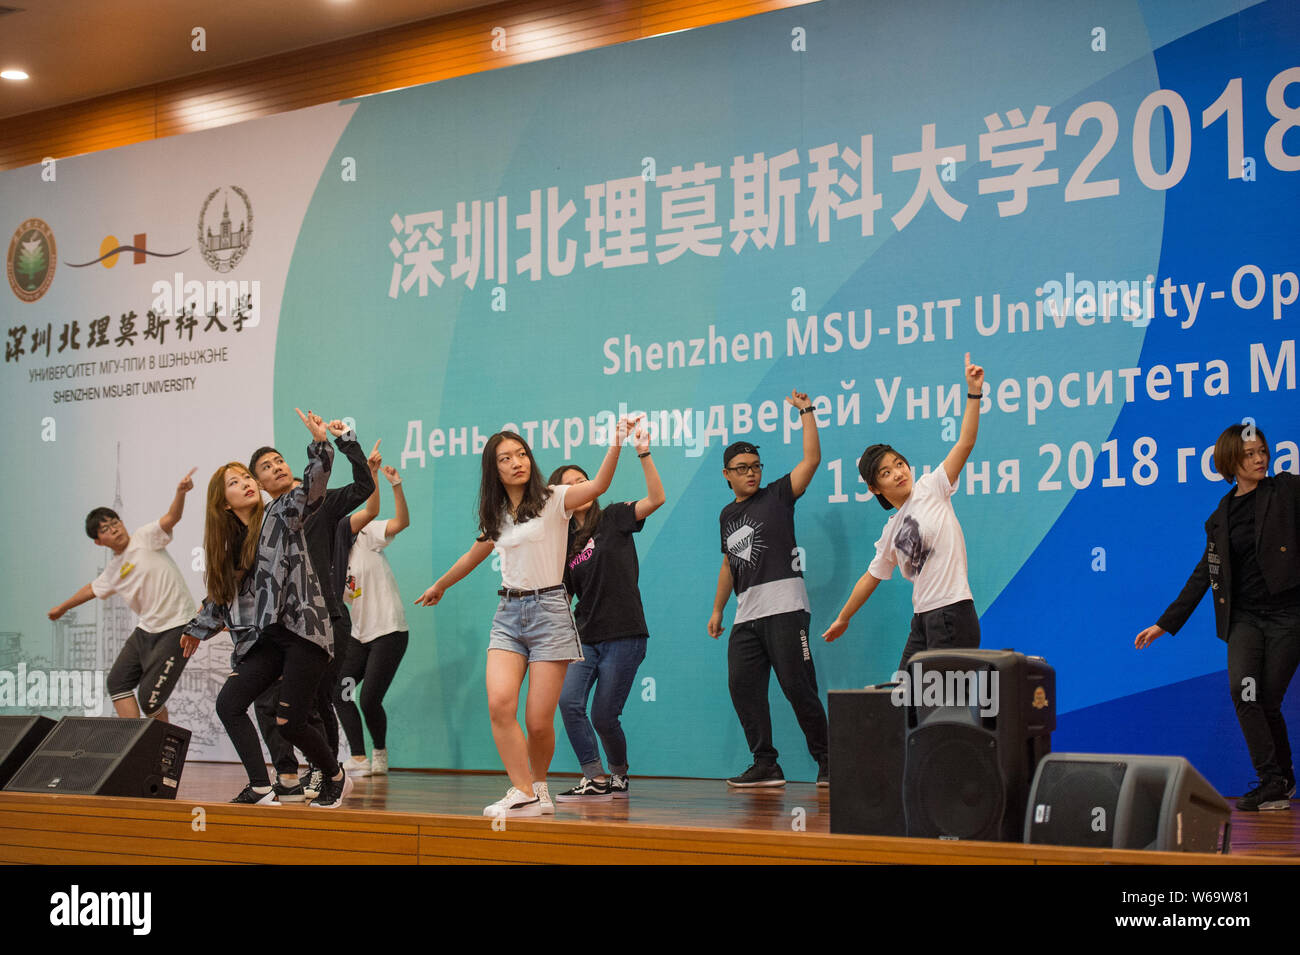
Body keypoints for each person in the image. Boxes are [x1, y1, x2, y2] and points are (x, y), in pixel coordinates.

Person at [416, 420, 635, 817]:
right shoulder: (496, 513)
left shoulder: (555, 498)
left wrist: (617, 443)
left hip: (550, 612)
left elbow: (599, 485)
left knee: (537, 721)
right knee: (500, 705)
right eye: (505, 458)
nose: (516, 462)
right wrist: (440, 585)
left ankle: (538, 787)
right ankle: (524, 791)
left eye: (521, 454)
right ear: (493, 469)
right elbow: (473, 555)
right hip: (508, 614)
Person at [180, 409, 354, 809]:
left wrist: (320, 444)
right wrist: (196, 628)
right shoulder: (233, 544)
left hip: (303, 631)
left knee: (290, 722)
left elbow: (312, 485)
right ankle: (262, 784)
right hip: (269, 640)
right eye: (235, 482)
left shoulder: (280, 513)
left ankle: (333, 773)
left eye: (246, 478)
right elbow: (222, 597)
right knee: (229, 704)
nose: (245, 484)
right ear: (222, 503)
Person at [1135, 422, 1300, 812]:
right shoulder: (1220, 516)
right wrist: (1165, 623)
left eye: (1262, 451)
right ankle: (1272, 781)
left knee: (1268, 699)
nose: (1260, 459)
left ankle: (1282, 778)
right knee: (1245, 694)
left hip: (1288, 616)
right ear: (1231, 462)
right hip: (1244, 620)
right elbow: (1204, 574)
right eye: (1249, 454)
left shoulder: (1287, 490)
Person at [822, 354, 986, 673]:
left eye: (899, 464)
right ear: (874, 488)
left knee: (944, 710)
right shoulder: (891, 531)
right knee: (905, 701)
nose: (898, 473)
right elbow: (870, 578)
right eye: (886, 472)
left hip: (952, 612)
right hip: (923, 620)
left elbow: (965, 442)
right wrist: (844, 618)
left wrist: (974, 392)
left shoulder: (932, 487)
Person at [707, 390, 828, 789]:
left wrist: (806, 412)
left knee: (798, 686)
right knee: (742, 686)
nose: (751, 473)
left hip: (786, 606)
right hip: (747, 613)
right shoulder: (727, 514)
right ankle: (766, 764)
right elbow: (728, 562)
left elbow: (811, 459)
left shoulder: (777, 495)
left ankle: (829, 762)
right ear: (726, 473)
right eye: (742, 468)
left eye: (755, 466)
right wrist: (718, 609)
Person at [248, 428, 375, 801]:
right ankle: (300, 772)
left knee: (321, 698)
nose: (276, 468)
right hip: (284, 629)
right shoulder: (266, 521)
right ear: (258, 483)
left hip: (327, 620)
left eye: (278, 461)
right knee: (286, 704)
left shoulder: (319, 502)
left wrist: (347, 442)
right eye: (266, 468)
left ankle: (328, 773)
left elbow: (364, 487)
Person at [547, 422, 665, 802]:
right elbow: (563, 598)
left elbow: (656, 498)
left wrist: (643, 453)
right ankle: (594, 777)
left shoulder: (614, 516)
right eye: (570, 483)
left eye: (584, 479)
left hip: (625, 635)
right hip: (586, 637)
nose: (580, 486)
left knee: (603, 716)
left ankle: (618, 774)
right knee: (568, 703)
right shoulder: (561, 544)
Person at [48, 469, 199, 721]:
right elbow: (91, 589)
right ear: (99, 541)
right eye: (105, 528)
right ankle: (133, 749)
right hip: (147, 630)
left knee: (150, 699)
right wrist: (62, 608)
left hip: (176, 626)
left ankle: (162, 756)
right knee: (117, 683)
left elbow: (172, 517)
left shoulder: (145, 537)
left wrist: (180, 492)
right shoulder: (113, 569)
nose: (114, 529)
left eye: (115, 522)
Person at [338, 456, 411, 776]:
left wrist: (388, 482)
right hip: (358, 636)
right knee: (341, 689)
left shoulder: (365, 536)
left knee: (369, 699)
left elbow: (400, 522)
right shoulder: (328, 560)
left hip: (389, 631)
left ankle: (379, 751)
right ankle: (358, 758)